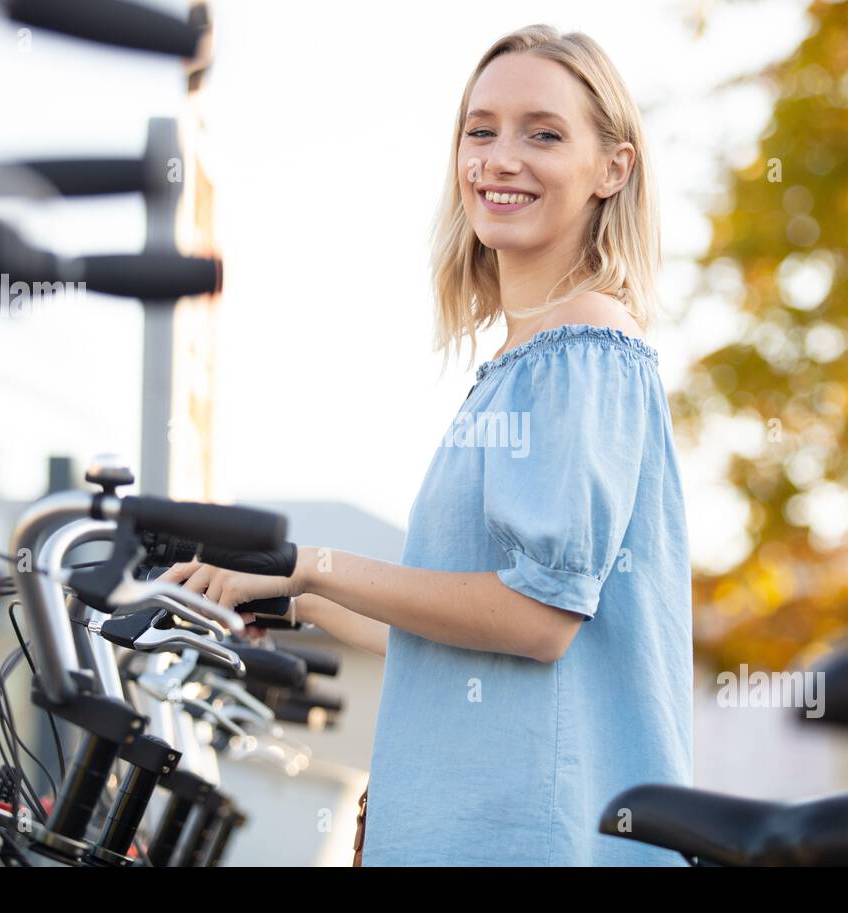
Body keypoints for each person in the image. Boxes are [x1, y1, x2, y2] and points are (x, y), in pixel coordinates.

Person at [161, 23, 694, 866]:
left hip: (531, 840)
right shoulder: (523, 360)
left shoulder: (583, 345)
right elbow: (462, 630)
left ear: (612, 169)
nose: (499, 157)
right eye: (479, 130)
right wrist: (283, 599)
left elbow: (539, 618)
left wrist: (313, 562)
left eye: (543, 134)